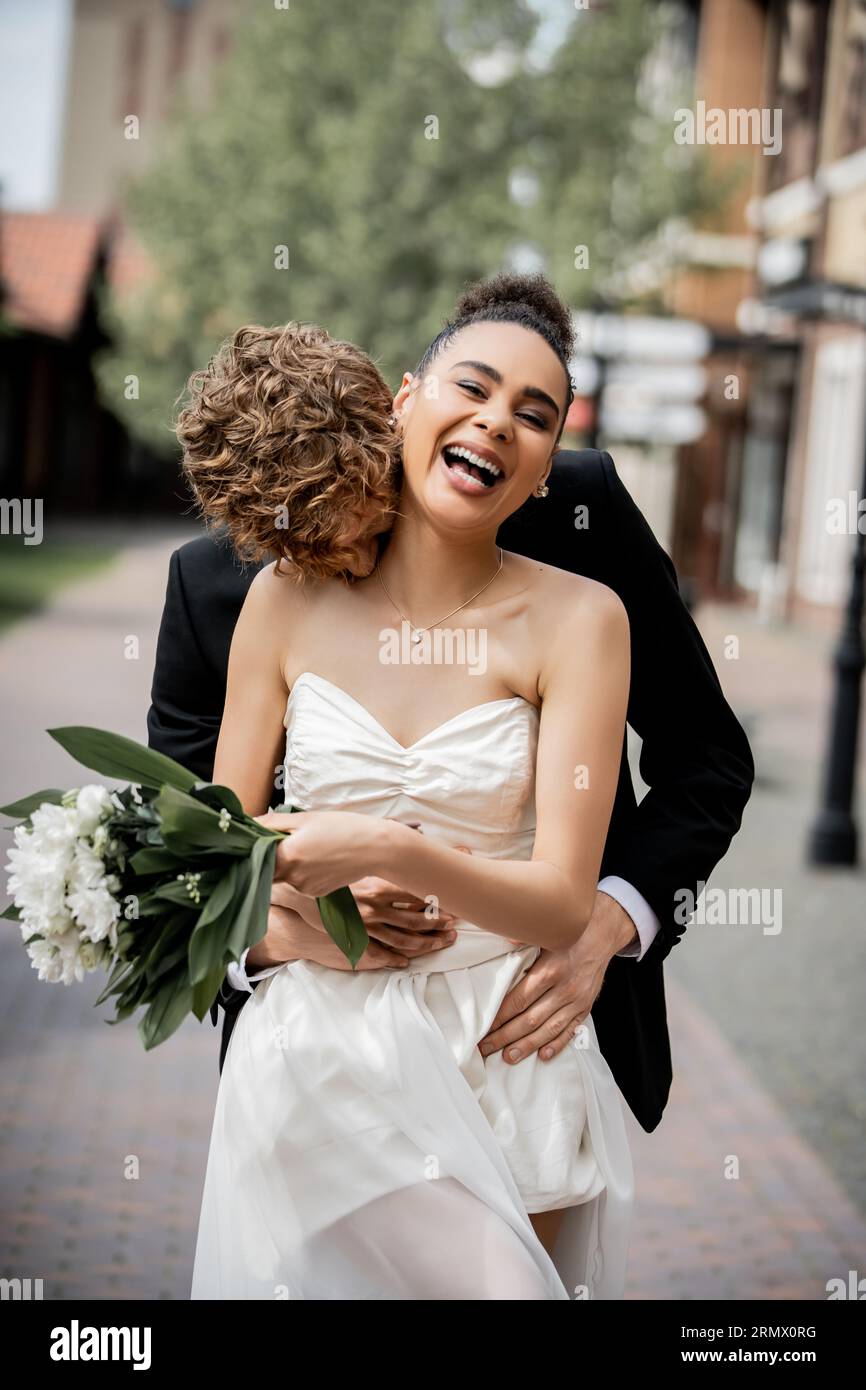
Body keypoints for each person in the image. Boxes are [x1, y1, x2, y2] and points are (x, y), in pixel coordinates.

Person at [149, 273, 754, 1299]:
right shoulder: (238, 586)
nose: (496, 425)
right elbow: (185, 858)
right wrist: (281, 928)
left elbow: (705, 757)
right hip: (317, 1055)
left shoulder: (576, 543)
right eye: (469, 388)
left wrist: (605, 922)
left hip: (514, 1033)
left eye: (534, 414)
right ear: (399, 398)